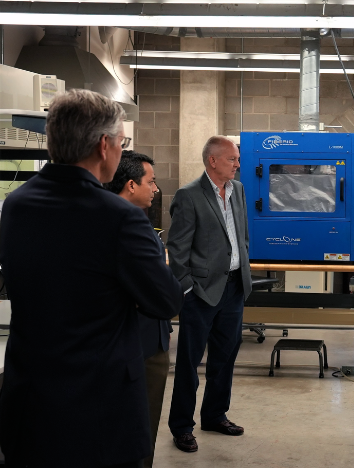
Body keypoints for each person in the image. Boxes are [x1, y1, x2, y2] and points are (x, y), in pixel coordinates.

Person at [0, 89, 183, 467]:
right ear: (104, 145)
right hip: (100, 406)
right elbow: (165, 301)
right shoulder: (120, 217)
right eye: (122, 142)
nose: (121, 149)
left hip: (30, 396)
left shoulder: (15, 205)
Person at [167, 136, 252, 453]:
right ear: (212, 160)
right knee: (189, 363)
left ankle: (215, 415)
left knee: (225, 358)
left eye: (237, 159)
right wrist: (189, 287)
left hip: (233, 287)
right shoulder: (188, 196)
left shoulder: (239, 190)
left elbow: (242, 236)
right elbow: (176, 250)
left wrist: (244, 270)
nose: (238, 164)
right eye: (232, 159)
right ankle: (182, 427)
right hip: (201, 292)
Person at [104, 151, 169, 468]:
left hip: (153, 340)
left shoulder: (143, 226)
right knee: (132, 433)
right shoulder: (115, 226)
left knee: (146, 429)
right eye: (151, 182)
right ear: (131, 185)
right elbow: (161, 293)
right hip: (131, 346)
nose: (155, 189)